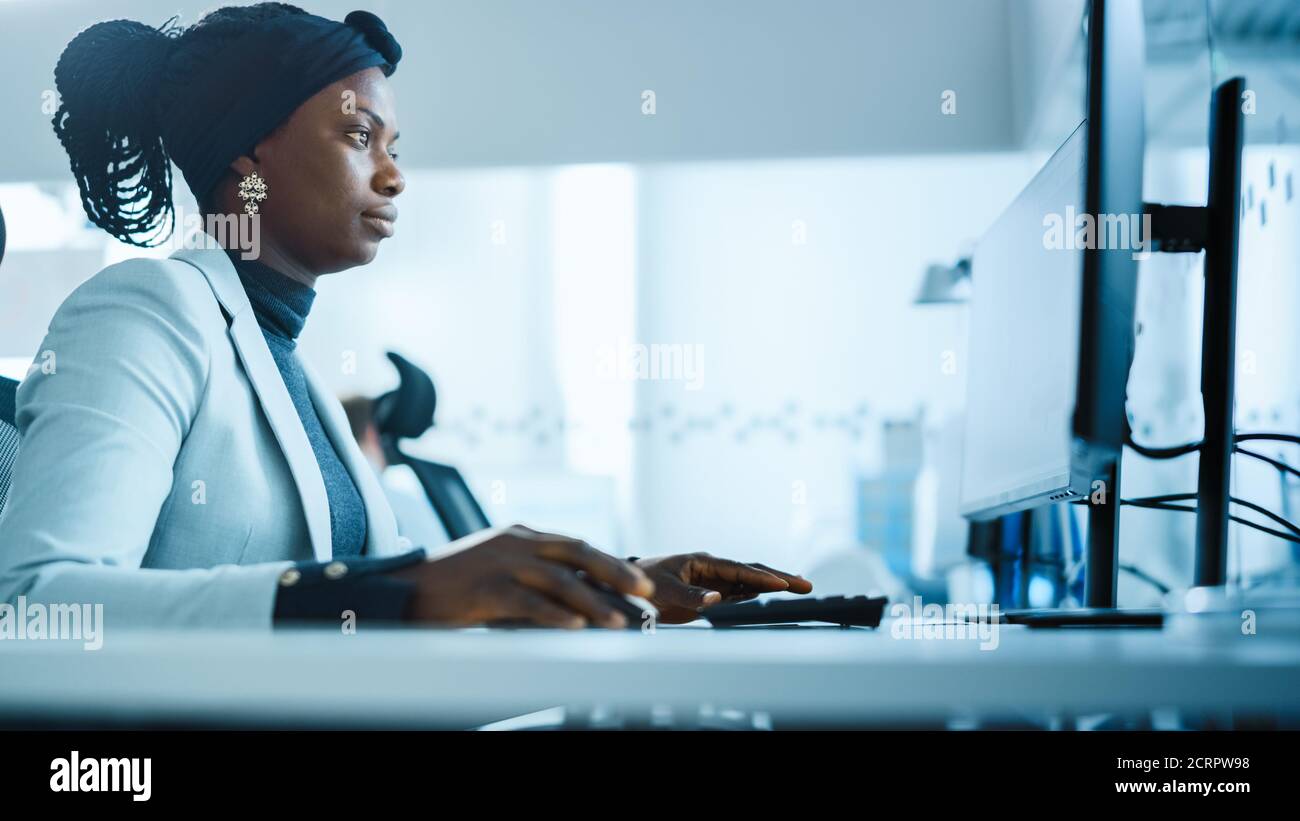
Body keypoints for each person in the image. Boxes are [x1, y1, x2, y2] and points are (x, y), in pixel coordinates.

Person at [0, 4, 812, 630]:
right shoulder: (146, 310)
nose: (393, 177)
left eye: (396, 147)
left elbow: (395, 642)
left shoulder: (287, 367)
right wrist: (399, 590)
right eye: (361, 137)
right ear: (249, 156)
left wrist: (621, 588)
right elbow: (37, 608)